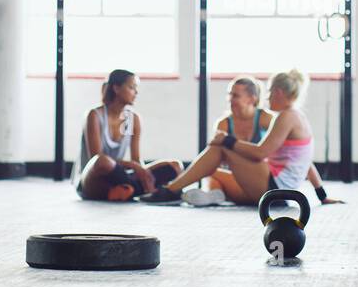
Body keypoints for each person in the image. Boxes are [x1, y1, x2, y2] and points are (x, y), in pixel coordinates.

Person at [140, 69, 329, 206]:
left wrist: (227, 141)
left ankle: (171, 191)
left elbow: (260, 153)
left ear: (278, 92)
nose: (268, 97)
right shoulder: (294, 116)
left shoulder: (286, 116)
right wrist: (322, 194)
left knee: (220, 148)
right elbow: (305, 161)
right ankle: (209, 194)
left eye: (270, 92)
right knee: (211, 167)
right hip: (275, 188)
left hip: (275, 189)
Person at [75, 69, 183, 201]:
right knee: (103, 161)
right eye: (132, 87)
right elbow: (96, 159)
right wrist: (134, 166)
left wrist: (144, 174)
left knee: (175, 166)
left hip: (120, 175)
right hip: (94, 180)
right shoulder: (94, 115)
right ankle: (139, 190)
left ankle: (128, 190)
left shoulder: (134, 118)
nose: (136, 92)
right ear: (116, 88)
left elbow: (136, 160)